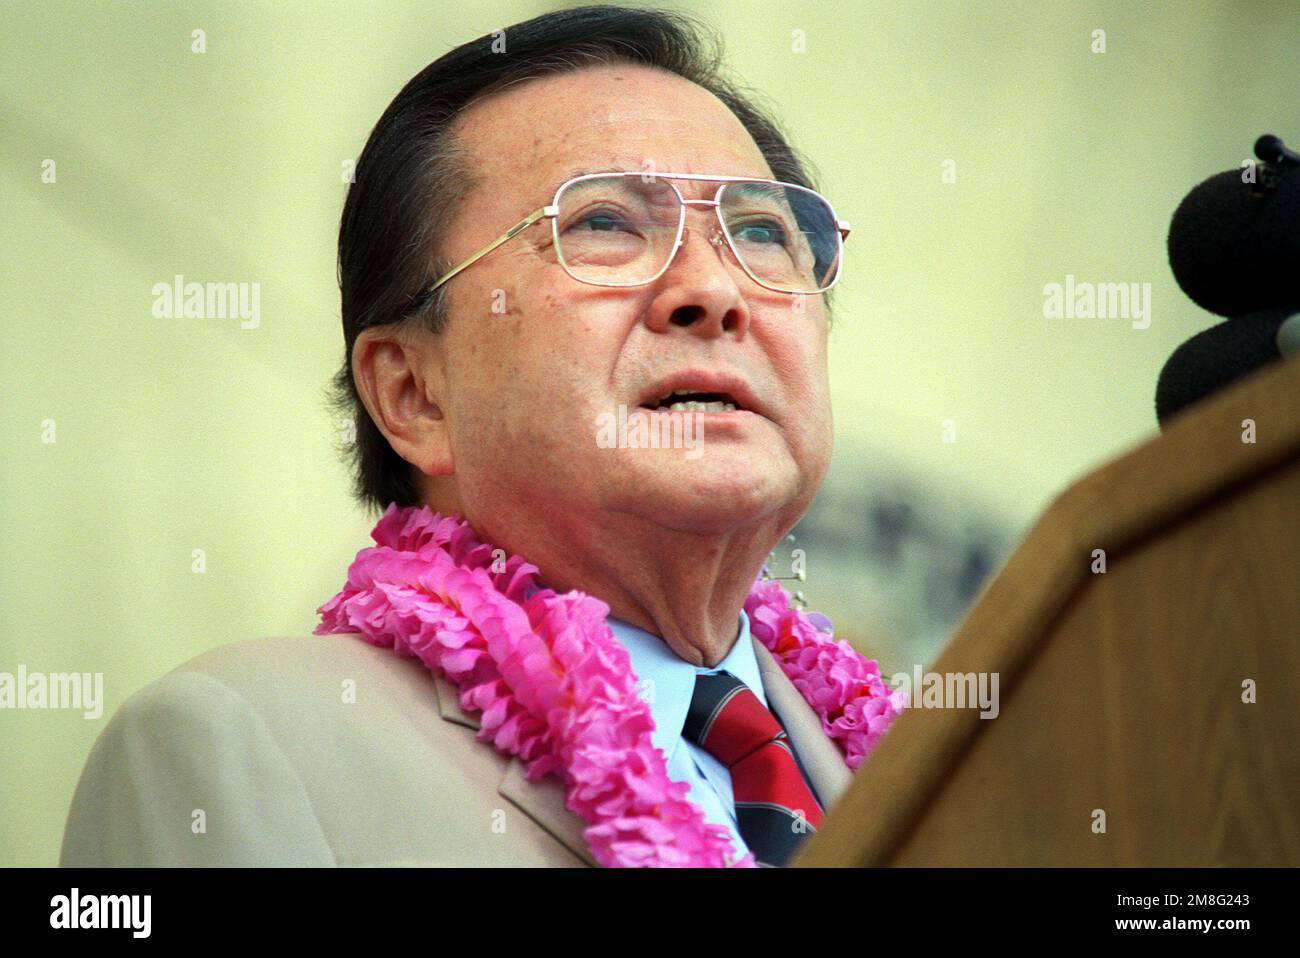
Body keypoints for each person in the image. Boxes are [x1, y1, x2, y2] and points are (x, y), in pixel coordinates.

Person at [61, 4, 901, 868]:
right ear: (415, 393)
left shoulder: (938, 773)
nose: (713, 291)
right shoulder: (236, 745)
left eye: (761, 232)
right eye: (604, 223)